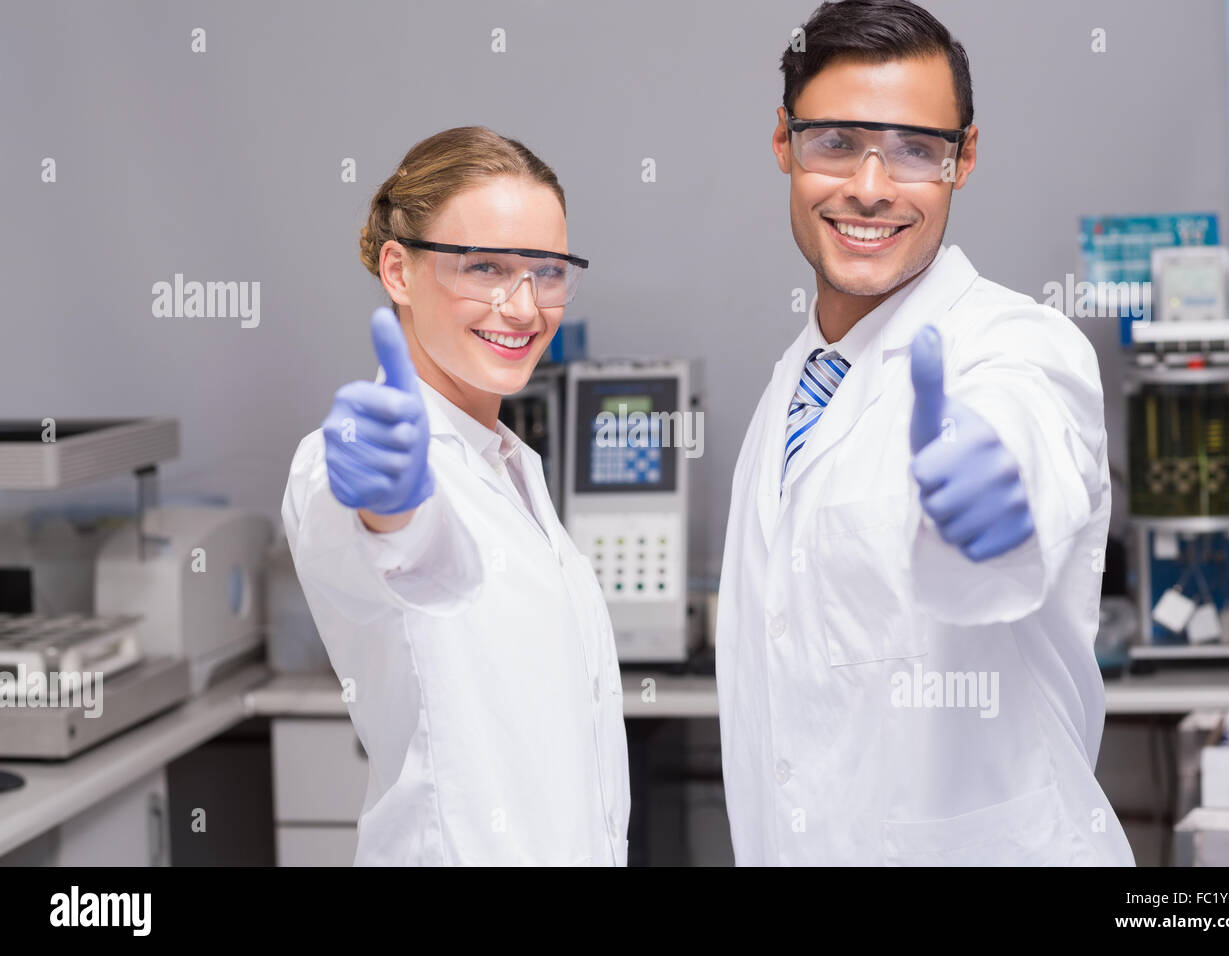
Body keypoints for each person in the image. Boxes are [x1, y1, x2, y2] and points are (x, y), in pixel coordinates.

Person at [715, 0, 1135, 865]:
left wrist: (1000, 499)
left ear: (963, 160)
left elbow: (1028, 442)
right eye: (836, 142)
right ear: (784, 145)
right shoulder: (791, 392)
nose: (871, 186)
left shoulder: (1015, 346)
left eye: (915, 149)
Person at [281, 127, 629, 866]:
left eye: (548, 272)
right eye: (486, 268)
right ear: (398, 271)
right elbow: (413, 553)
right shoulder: (345, 463)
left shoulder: (507, 461)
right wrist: (394, 505)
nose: (524, 307)